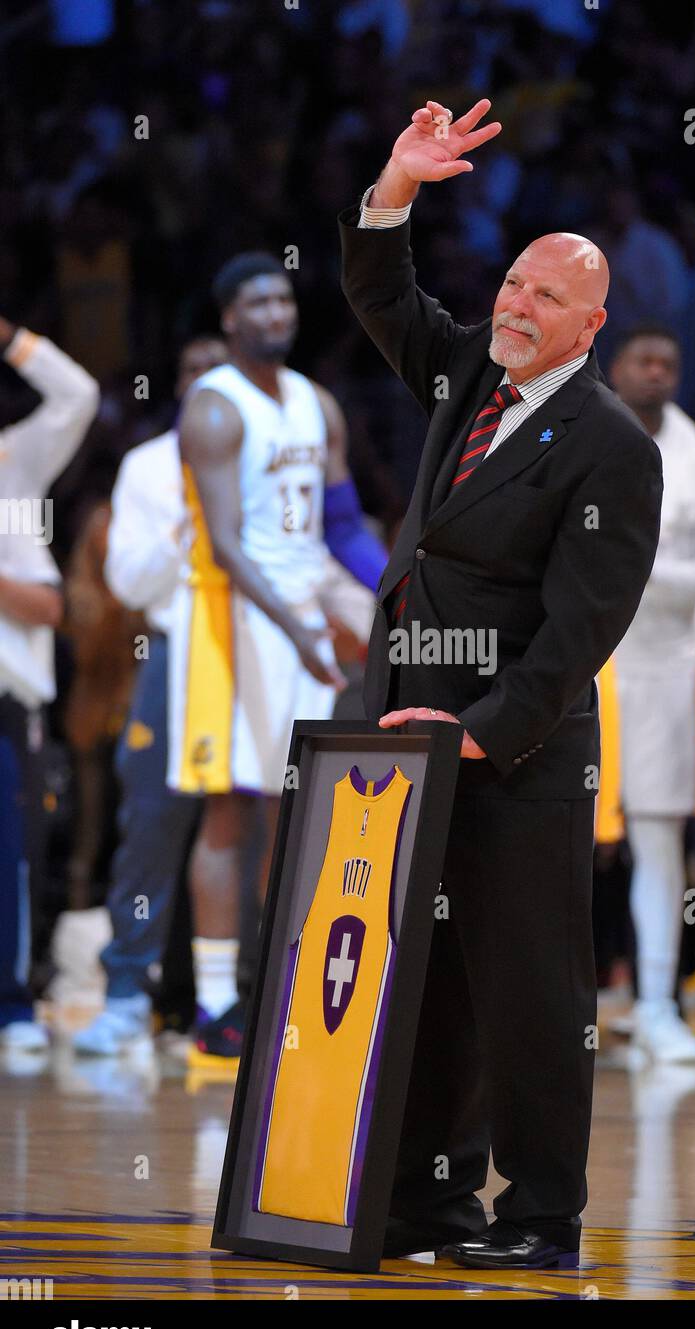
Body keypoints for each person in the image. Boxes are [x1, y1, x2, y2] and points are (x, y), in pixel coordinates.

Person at [339, 98, 662, 1268]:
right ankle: (429, 1206)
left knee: (529, 996)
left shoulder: (613, 446)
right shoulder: (471, 364)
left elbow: (584, 629)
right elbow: (381, 297)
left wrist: (480, 732)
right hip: (402, 729)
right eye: (515, 284)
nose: (517, 307)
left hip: (514, 748)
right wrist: (398, 187)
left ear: (593, 324)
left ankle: (541, 1219)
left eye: (546, 298)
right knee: (426, 986)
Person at [169, 254, 385, 1060]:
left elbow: (341, 521)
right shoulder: (214, 410)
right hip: (235, 619)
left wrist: (391, 585)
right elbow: (226, 546)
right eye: (255, 300)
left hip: (302, 602)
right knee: (231, 803)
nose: (273, 310)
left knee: (292, 810)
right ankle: (217, 1003)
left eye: (282, 296)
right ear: (228, 318)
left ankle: (277, 988)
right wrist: (300, 629)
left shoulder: (315, 402)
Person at [72, 335, 227, 1056]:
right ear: (177, 383)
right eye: (193, 368)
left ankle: (234, 1001)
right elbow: (130, 582)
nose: (206, 381)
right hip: (174, 651)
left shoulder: (271, 447)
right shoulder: (148, 466)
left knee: (249, 826)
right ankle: (128, 992)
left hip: (253, 651)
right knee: (152, 822)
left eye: (218, 369)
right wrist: (194, 518)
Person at [608, 325, 695, 1063]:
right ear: (615, 366)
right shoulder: (570, 431)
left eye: (668, 363)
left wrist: (635, 568)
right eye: (642, 361)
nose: (656, 373)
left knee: (659, 843)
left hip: (663, 671)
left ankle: (657, 1007)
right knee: (553, 840)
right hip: (579, 661)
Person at [0, 316, 99, 1048]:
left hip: (9, 699)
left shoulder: (11, 467)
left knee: (11, 854)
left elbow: (78, 395)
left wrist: (10, 339)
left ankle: (10, 1002)